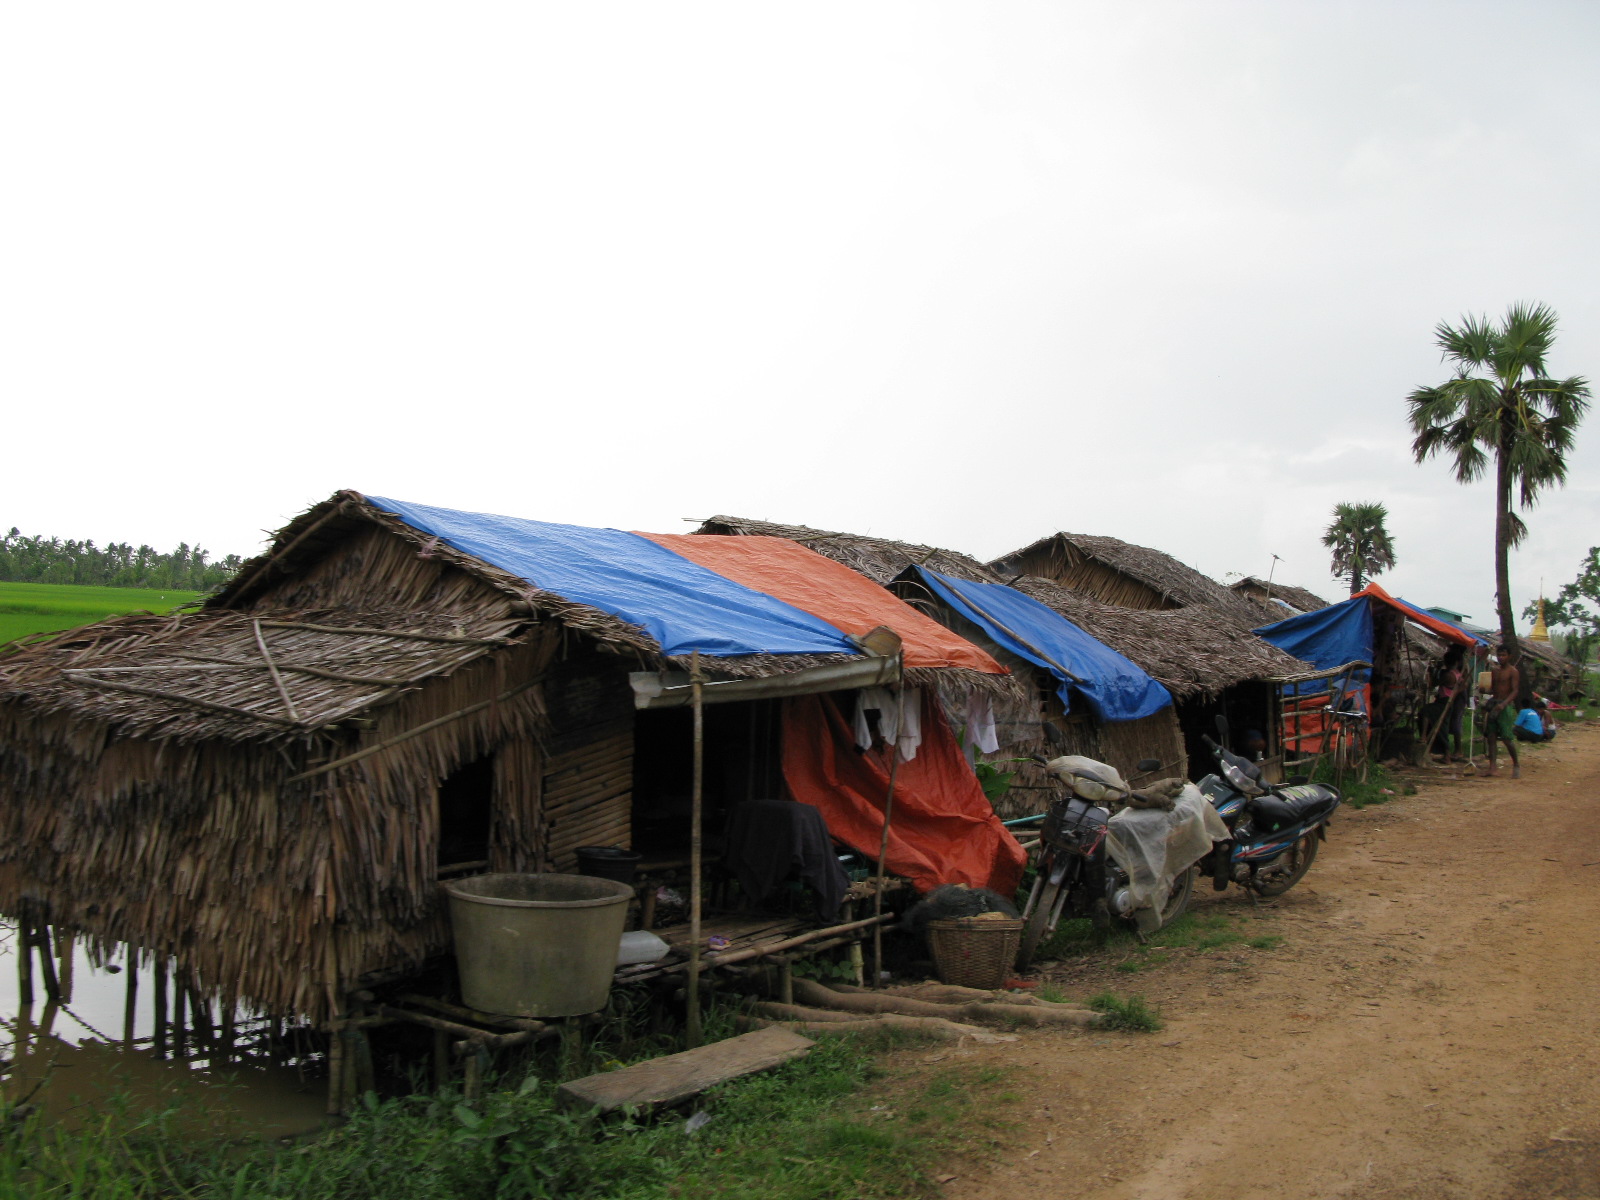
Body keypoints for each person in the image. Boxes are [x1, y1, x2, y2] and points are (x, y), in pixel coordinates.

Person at [1482, 644, 1522, 778]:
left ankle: (1516, 764)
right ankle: (1492, 767)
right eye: (1499, 655)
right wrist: (1484, 691)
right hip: (1494, 703)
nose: (1501, 658)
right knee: (1491, 737)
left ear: (1509, 656)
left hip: (1505, 706)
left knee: (1506, 738)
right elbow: (1493, 688)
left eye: (1503, 655)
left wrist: (1504, 704)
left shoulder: (1513, 671)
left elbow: (1515, 690)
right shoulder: (1495, 671)